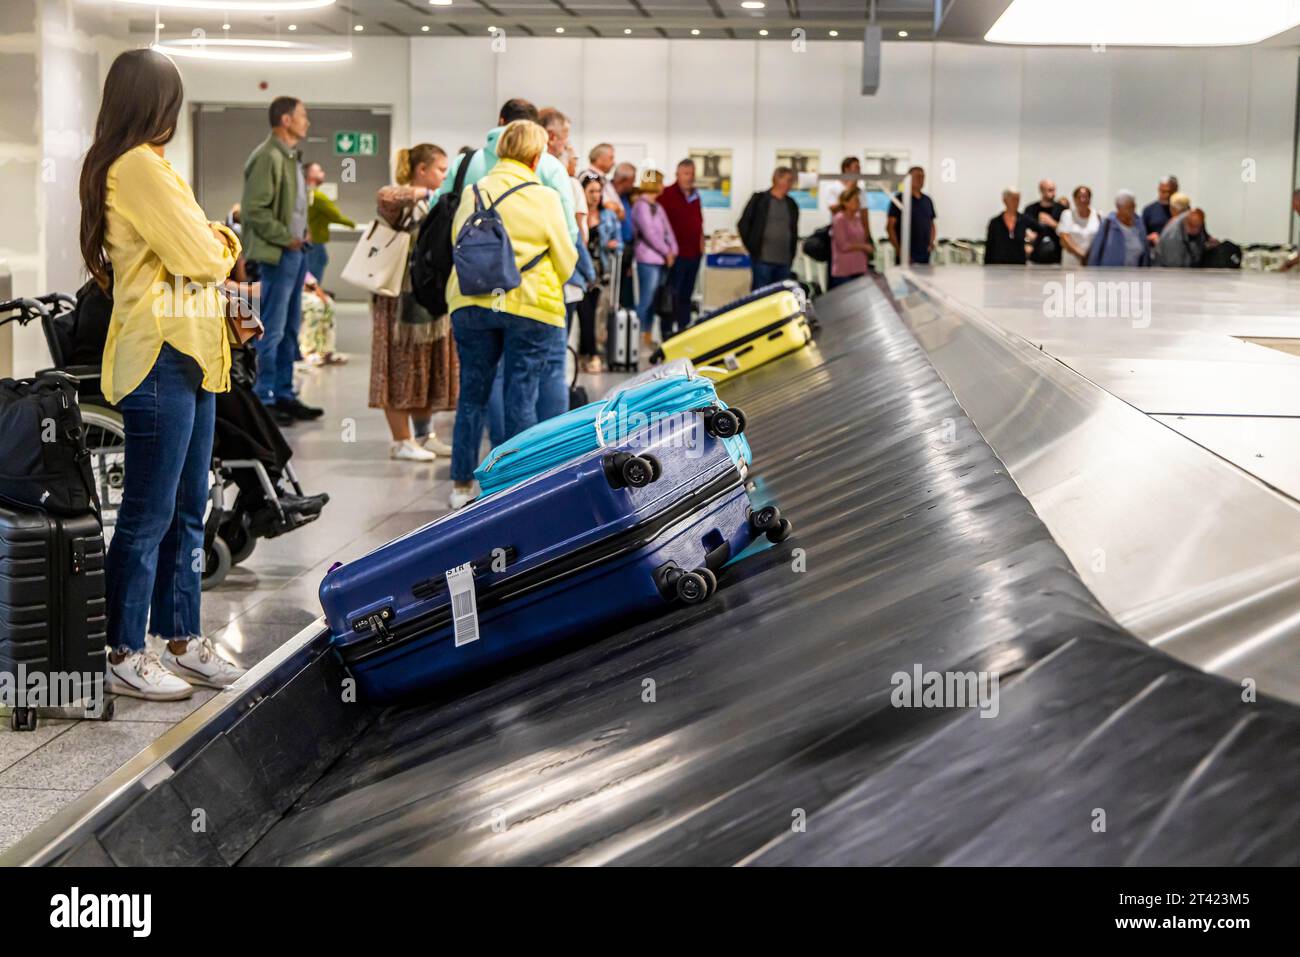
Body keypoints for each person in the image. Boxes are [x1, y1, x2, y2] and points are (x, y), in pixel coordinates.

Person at [79, 49, 246, 700]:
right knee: (148, 513)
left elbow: (195, 250)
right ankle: (122, 647)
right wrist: (225, 242)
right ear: (154, 102)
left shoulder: (151, 167)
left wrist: (211, 244)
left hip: (195, 352)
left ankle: (181, 637)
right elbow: (201, 254)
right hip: (159, 356)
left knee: (188, 508)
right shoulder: (135, 168)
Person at [446, 120, 578, 510]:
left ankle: (460, 485)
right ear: (537, 156)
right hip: (530, 305)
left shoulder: (474, 191)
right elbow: (567, 261)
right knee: (521, 394)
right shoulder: (546, 197)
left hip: (471, 302)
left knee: (472, 394)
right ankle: (514, 485)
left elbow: (459, 243)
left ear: (500, 150)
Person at [370, 143, 457, 462]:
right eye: (440, 170)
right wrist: (422, 194)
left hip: (426, 299)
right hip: (397, 301)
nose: (444, 176)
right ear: (422, 170)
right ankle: (400, 440)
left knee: (425, 366)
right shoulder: (406, 201)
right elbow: (385, 196)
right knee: (398, 367)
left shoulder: (435, 204)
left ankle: (424, 433)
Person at [240, 95, 323, 426]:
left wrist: (300, 235)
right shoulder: (268, 157)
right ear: (286, 120)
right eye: (303, 115)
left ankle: (284, 394)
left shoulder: (289, 157)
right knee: (270, 330)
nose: (308, 121)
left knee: (290, 329)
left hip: (295, 253)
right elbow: (254, 210)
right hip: (277, 255)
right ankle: (263, 398)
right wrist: (285, 237)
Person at [435, 98, 579, 244]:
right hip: (532, 262)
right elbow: (567, 227)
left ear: (501, 121)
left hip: (469, 259)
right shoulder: (551, 166)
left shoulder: (464, 162)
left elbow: (437, 206)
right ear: (534, 127)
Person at [658, 158, 705, 339]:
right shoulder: (667, 194)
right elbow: (659, 226)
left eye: (692, 174)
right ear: (677, 174)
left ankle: (684, 330)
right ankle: (667, 332)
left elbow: (699, 221)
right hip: (675, 255)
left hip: (694, 254)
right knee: (671, 295)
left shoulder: (695, 195)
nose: (689, 177)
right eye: (686, 173)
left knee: (687, 295)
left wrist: (701, 242)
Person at [578, 170, 619, 372]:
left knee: (597, 316)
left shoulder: (608, 216)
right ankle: (590, 353)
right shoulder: (577, 215)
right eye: (591, 191)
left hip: (601, 271)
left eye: (598, 191)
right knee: (585, 314)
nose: (595, 196)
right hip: (582, 272)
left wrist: (613, 245)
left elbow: (619, 242)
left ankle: (593, 352)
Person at [631, 169, 678, 349]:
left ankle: (648, 336)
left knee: (654, 302)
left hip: (661, 260)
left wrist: (673, 250)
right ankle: (636, 337)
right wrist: (666, 252)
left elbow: (668, 231)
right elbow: (649, 234)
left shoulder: (657, 207)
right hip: (648, 260)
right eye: (660, 182)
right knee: (646, 300)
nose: (662, 186)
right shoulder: (641, 206)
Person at [738, 167, 799, 289]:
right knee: (761, 297)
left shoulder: (791, 204)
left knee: (781, 297)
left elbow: (793, 229)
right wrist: (752, 247)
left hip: (784, 261)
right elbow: (743, 224)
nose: (790, 184)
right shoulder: (759, 200)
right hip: (762, 260)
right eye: (788, 180)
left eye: (791, 181)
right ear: (777, 179)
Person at [303, 160, 355, 285]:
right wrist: (352, 224)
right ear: (310, 175)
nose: (323, 173)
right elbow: (335, 215)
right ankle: (313, 296)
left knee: (312, 268)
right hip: (314, 241)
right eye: (319, 171)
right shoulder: (317, 196)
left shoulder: (306, 194)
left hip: (309, 240)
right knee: (314, 271)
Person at [886, 165, 937, 265]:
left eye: (923, 177)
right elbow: (890, 227)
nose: (921, 179)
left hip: (924, 254)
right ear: (908, 179)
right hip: (906, 254)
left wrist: (931, 243)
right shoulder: (899, 199)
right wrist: (899, 251)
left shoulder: (927, 200)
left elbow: (932, 224)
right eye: (917, 176)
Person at [1087, 189, 1150, 267]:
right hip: (1111, 275)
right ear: (1118, 207)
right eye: (1128, 207)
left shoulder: (1139, 224)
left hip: (1135, 275)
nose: (1132, 210)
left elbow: (1145, 252)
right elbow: (1096, 252)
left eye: (1133, 206)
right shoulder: (1108, 225)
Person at [829, 185, 873, 288]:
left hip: (860, 268)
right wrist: (864, 247)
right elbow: (843, 245)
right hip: (844, 270)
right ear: (846, 203)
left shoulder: (857, 218)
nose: (858, 203)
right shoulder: (839, 219)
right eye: (855, 200)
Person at [298, 271, 344, 366]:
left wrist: (322, 295)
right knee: (315, 307)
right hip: (291, 291)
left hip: (303, 290)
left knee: (329, 304)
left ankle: (327, 350)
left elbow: (310, 280)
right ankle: (309, 350)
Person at [612, 161, 638, 308]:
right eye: (632, 181)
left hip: (628, 250)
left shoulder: (627, 197)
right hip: (615, 251)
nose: (633, 184)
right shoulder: (608, 194)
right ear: (624, 180)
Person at [1022, 178, 1066, 264]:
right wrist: (1027, 238)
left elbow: (1068, 232)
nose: (1053, 193)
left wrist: (1053, 223)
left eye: (1054, 189)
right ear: (1041, 190)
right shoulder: (1030, 209)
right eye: (1050, 190)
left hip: (1056, 258)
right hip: (1034, 258)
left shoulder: (1062, 210)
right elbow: (1022, 227)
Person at [984, 188, 1032, 266]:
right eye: (1013, 199)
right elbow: (989, 245)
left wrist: (1031, 243)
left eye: (1018, 199)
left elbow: (1042, 230)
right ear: (1005, 200)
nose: (1016, 202)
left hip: (1019, 265)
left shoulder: (1024, 219)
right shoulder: (995, 222)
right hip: (998, 265)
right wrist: (986, 265)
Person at [1155, 203, 1211, 268]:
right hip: (1168, 272)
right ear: (1187, 224)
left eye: (1200, 227)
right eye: (1194, 228)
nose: (1198, 231)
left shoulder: (1193, 217)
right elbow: (1175, 268)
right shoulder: (1172, 238)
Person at [1057, 185, 1101, 267]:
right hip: (1071, 262)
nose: (1082, 200)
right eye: (1079, 197)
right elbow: (1064, 238)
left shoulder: (1097, 216)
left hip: (1091, 262)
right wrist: (1082, 255)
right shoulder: (1067, 214)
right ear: (1074, 199)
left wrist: (1090, 257)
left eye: (1086, 197)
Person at [586, 142, 623, 217]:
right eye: (611, 158)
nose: (614, 162)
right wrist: (615, 207)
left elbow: (622, 213)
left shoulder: (605, 179)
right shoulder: (588, 177)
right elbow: (608, 206)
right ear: (600, 158)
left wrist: (616, 208)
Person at [1142, 175, 1179, 245]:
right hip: (1156, 253)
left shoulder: (1183, 210)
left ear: (1176, 191)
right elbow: (1141, 238)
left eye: (1170, 192)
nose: (1166, 195)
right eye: (1162, 191)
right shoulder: (1149, 210)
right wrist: (1151, 238)